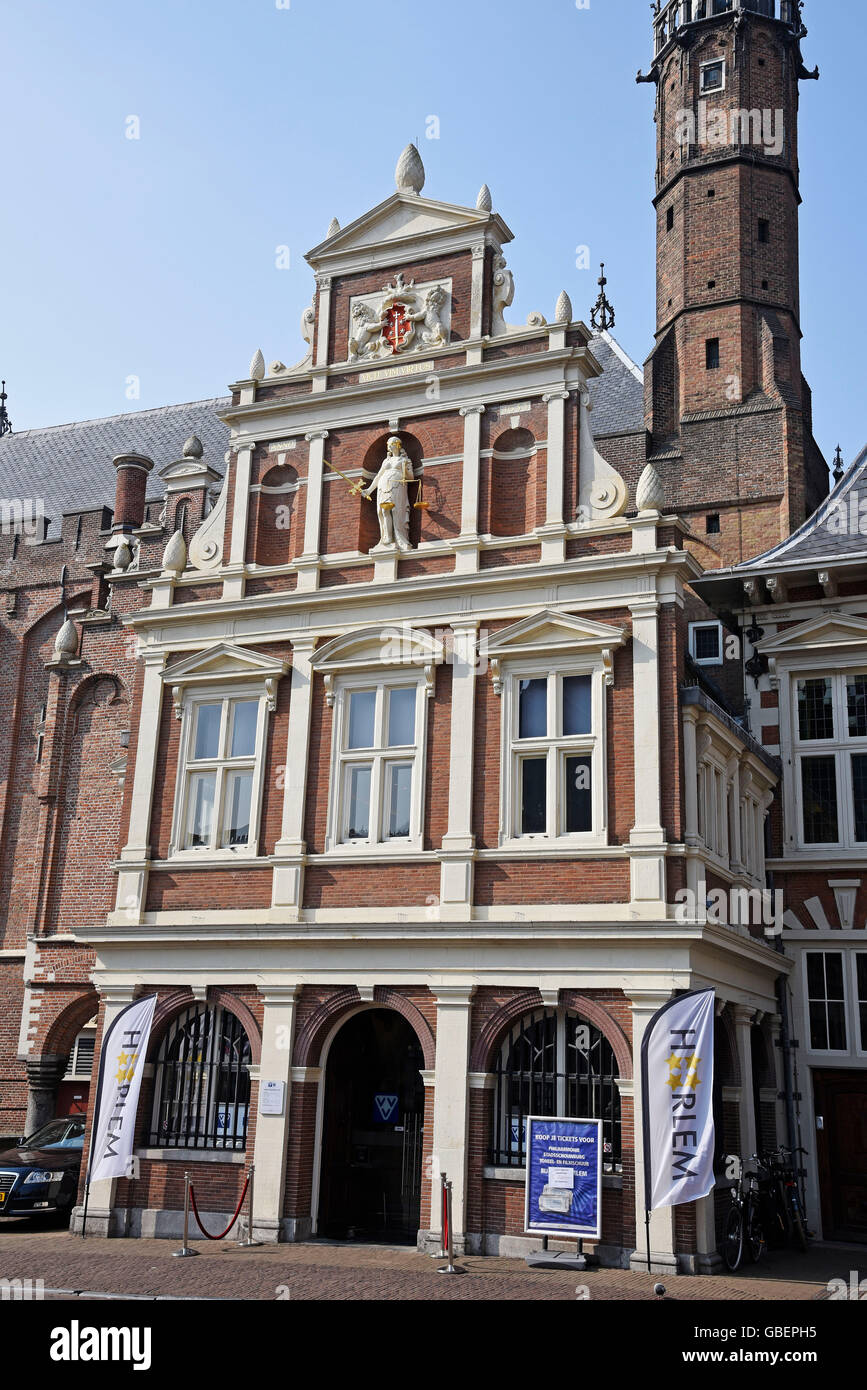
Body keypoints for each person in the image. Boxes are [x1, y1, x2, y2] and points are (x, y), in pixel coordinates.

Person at [363, 437, 413, 550]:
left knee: (395, 511)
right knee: (384, 510)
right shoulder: (386, 461)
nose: (389, 446)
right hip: (383, 486)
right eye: (388, 444)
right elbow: (378, 476)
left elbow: (411, 477)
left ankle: (398, 537)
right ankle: (387, 537)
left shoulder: (405, 460)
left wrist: (404, 468)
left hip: (397, 486)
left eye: (391, 444)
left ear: (398, 445)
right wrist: (369, 490)